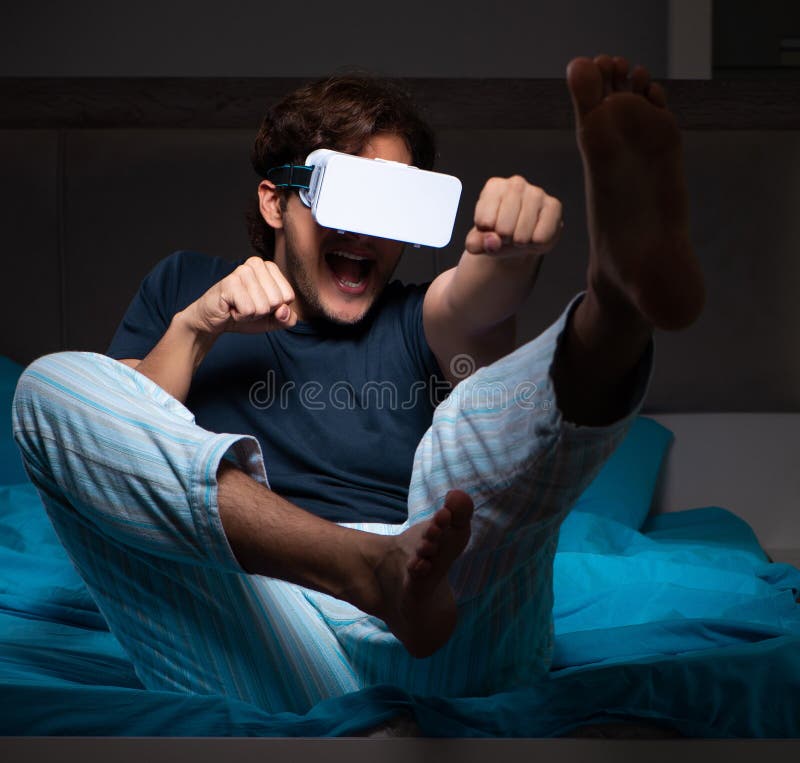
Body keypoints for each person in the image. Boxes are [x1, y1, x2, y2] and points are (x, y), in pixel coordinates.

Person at [12, 55, 705, 715]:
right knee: (49, 390)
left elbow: (477, 300)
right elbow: (111, 438)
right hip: (263, 627)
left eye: (393, 203)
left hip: (445, 622)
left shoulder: (417, 317)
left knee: (476, 411)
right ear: (276, 201)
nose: (365, 228)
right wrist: (198, 326)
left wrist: (510, 256)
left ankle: (616, 303)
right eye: (345, 192)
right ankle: (364, 567)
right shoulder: (185, 286)